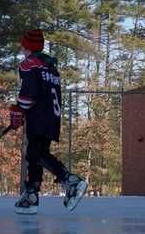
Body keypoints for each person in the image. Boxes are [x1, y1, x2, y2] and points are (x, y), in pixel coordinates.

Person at [9, 29, 87, 215]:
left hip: (39, 116)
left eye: (23, 46)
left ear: (27, 47)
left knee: (36, 153)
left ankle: (70, 179)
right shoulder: (50, 66)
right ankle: (31, 194)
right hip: (52, 116)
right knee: (34, 154)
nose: (21, 50)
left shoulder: (29, 64)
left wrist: (19, 109)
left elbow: (29, 92)